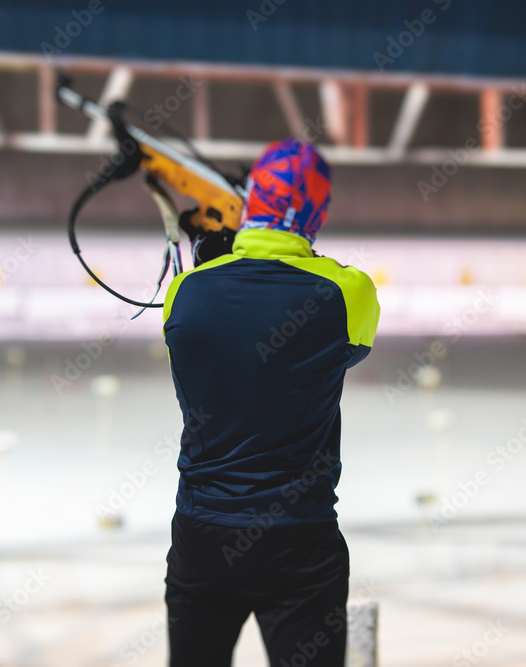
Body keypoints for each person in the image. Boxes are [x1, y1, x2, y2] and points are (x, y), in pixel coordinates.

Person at [161, 138, 381, 666]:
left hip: (201, 536)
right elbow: (353, 347)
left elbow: (211, 346)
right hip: (298, 540)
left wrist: (218, 255)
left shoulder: (184, 292)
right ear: (318, 210)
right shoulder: (347, 293)